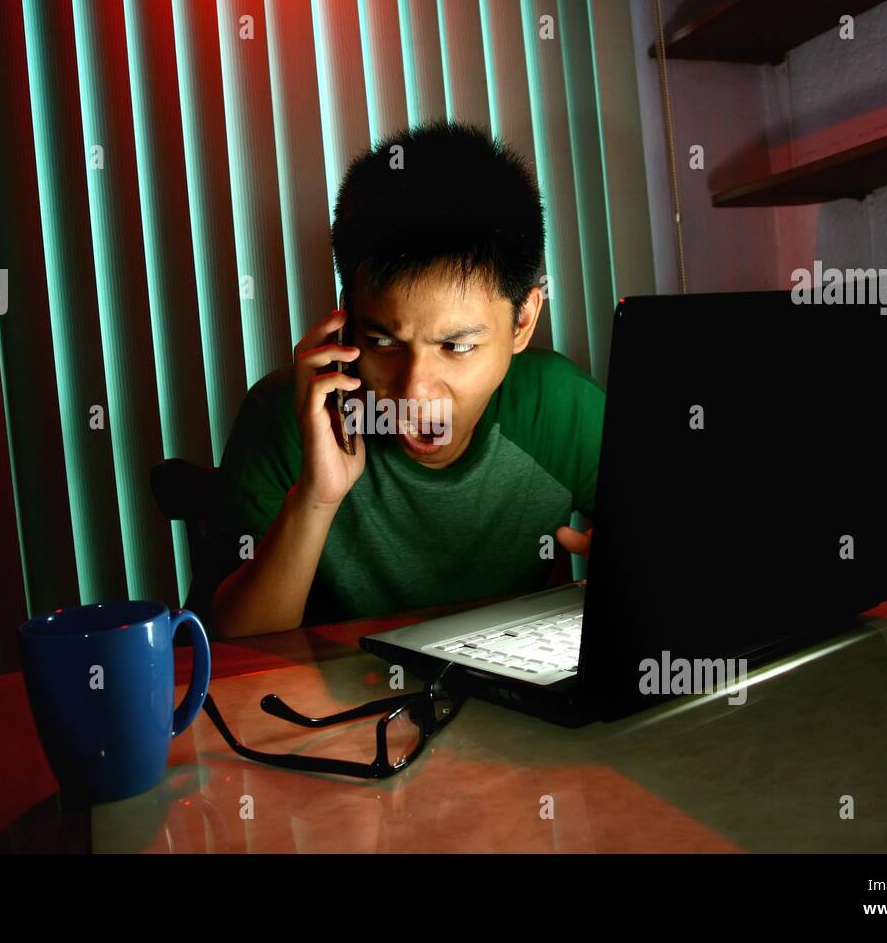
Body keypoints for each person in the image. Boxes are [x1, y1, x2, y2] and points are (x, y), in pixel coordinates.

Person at [198, 120, 605, 638]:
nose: (415, 391)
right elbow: (230, 652)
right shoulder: (286, 415)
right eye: (384, 342)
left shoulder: (561, 406)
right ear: (346, 318)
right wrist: (316, 497)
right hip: (338, 710)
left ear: (523, 321)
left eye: (456, 346)